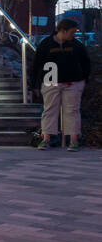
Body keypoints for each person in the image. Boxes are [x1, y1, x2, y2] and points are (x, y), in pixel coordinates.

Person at [31, 19, 91, 152]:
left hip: (73, 82)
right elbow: (37, 64)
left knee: (72, 111)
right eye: (72, 32)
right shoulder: (46, 44)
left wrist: (84, 79)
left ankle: (74, 140)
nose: (73, 35)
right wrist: (34, 84)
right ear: (63, 31)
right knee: (50, 110)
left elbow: (86, 62)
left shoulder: (76, 45)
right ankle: (46, 139)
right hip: (51, 80)